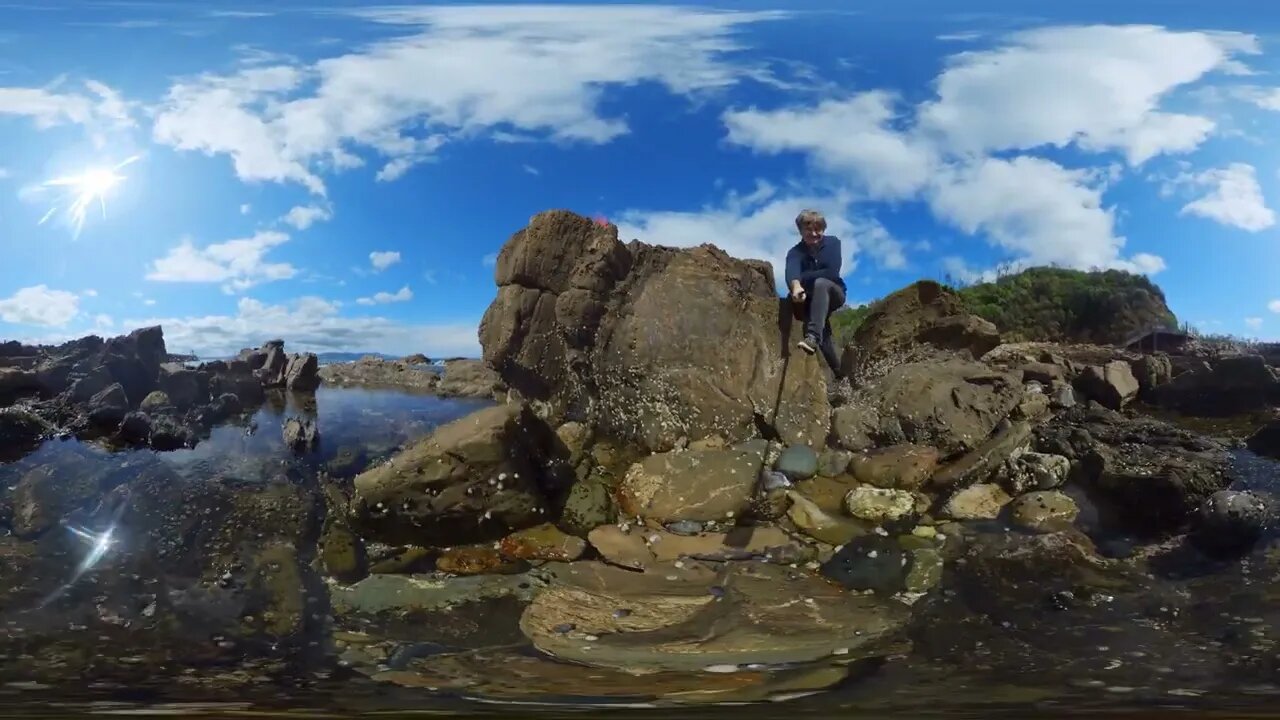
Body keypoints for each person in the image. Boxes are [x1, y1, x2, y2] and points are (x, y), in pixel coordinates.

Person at [784, 209, 846, 377]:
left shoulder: (833, 243)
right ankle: (841, 374)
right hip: (813, 302)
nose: (813, 233)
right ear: (800, 231)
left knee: (821, 284)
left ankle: (812, 337)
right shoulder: (795, 252)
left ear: (823, 229)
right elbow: (792, 271)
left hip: (834, 292)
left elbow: (832, 272)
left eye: (818, 229)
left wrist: (803, 278)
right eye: (808, 229)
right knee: (824, 334)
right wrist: (796, 286)